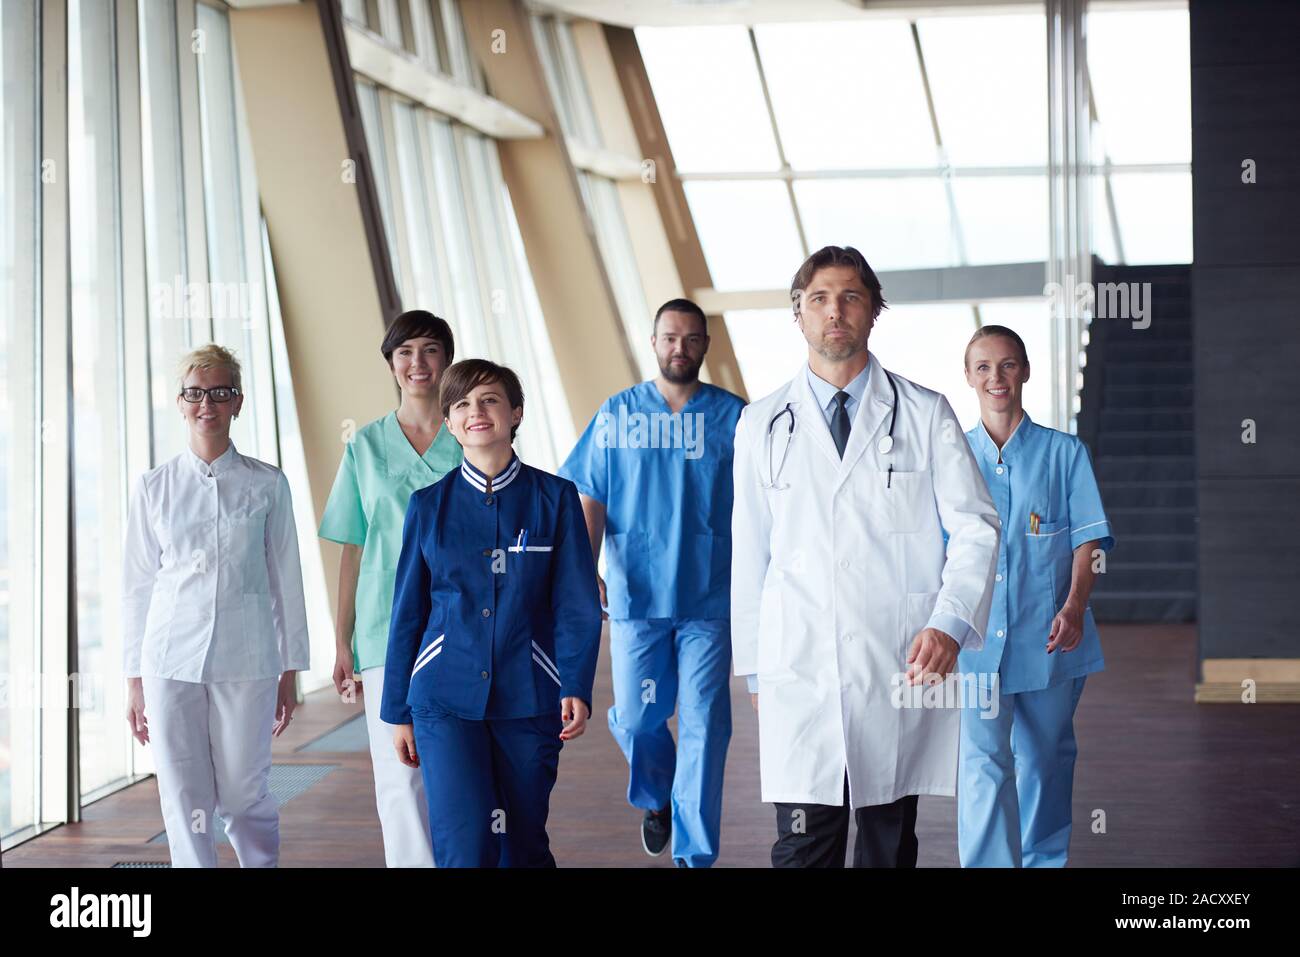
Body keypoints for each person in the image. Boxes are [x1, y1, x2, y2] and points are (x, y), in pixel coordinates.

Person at [731, 245, 1000, 868]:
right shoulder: (761, 423)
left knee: (888, 843)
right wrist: (755, 663)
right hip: (798, 662)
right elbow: (751, 549)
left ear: (874, 311)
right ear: (797, 313)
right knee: (802, 844)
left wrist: (950, 623)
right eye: (819, 298)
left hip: (901, 654)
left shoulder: (926, 413)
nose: (835, 311)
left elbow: (977, 528)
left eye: (851, 297)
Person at [380, 359, 602, 867]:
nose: (475, 412)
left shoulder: (555, 498)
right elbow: (408, 612)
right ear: (450, 424)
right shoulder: (427, 505)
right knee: (465, 842)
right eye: (461, 405)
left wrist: (575, 684)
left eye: (489, 400)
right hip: (443, 699)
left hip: (529, 694)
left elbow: (576, 604)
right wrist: (398, 711)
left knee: (521, 842)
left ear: (515, 413)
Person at [559, 299, 745, 868]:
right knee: (640, 719)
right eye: (670, 337)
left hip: (709, 601)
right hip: (637, 600)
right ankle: (657, 793)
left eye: (691, 338)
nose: (679, 348)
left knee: (705, 726)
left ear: (704, 345)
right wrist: (583, 569)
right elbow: (591, 494)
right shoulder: (618, 416)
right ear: (654, 341)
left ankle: (694, 854)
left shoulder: (735, 417)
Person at [122, 344, 309, 868]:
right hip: (167, 662)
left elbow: (286, 582)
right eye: (196, 393)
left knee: (245, 794)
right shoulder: (154, 487)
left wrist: (288, 672)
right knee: (182, 797)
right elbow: (137, 586)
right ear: (180, 402)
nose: (208, 403)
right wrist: (133, 680)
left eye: (221, 392)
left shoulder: (267, 483)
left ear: (239, 402)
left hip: (246, 662)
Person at [957, 325, 1114, 868]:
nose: (995, 378)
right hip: (976, 645)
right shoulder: (953, 457)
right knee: (982, 765)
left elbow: (1088, 541)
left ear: (1024, 370)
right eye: (983, 367)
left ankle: (1043, 861)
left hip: (1049, 640)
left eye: (1006, 365)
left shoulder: (1064, 453)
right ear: (969, 377)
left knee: (1045, 761)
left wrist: (1073, 607)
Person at [318, 310, 463, 867]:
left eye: (430, 350)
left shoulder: (469, 433)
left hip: (462, 623)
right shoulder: (365, 447)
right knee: (398, 774)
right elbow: (351, 551)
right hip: (384, 629)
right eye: (405, 352)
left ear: (446, 358)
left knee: (459, 766)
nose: (418, 363)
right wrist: (341, 642)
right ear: (391, 364)